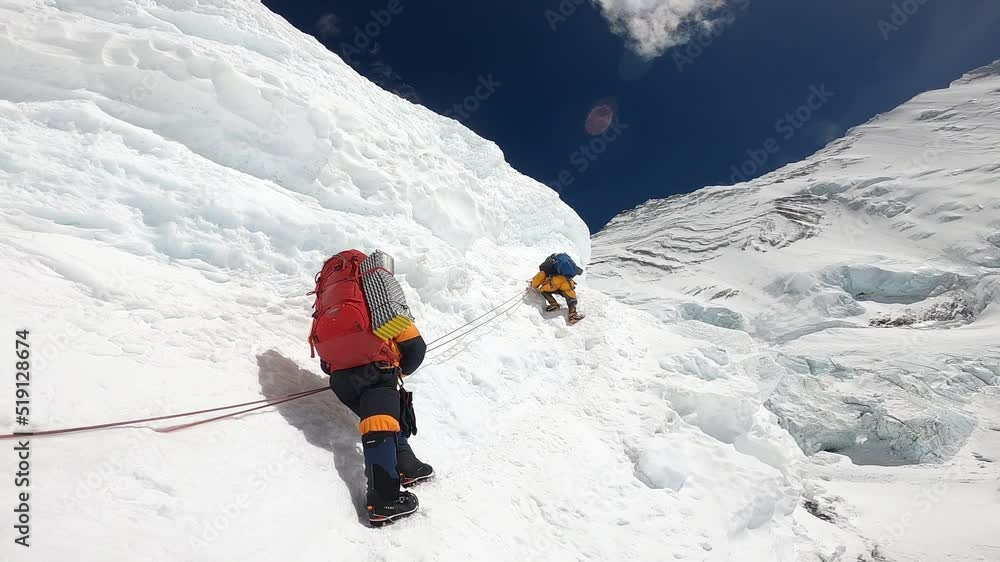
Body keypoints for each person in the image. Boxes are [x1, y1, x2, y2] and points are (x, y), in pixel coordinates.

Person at [310, 249, 433, 527]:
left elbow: (326, 362)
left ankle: (406, 465)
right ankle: (384, 500)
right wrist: (398, 369)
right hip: (378, 371)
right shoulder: (381, 301)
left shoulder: (332, 298)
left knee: (386, 419)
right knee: (381, 421)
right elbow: (415, 348)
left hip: (341, 380)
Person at [529, 253, 584, 325]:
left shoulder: (548, 267)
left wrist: (533, 285)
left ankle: (554, 304)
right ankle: (573, 314)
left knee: (544, 291)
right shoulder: (567, 264)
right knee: (571, 298)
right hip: (567, 282)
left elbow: (538, 279)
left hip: (553, 284)